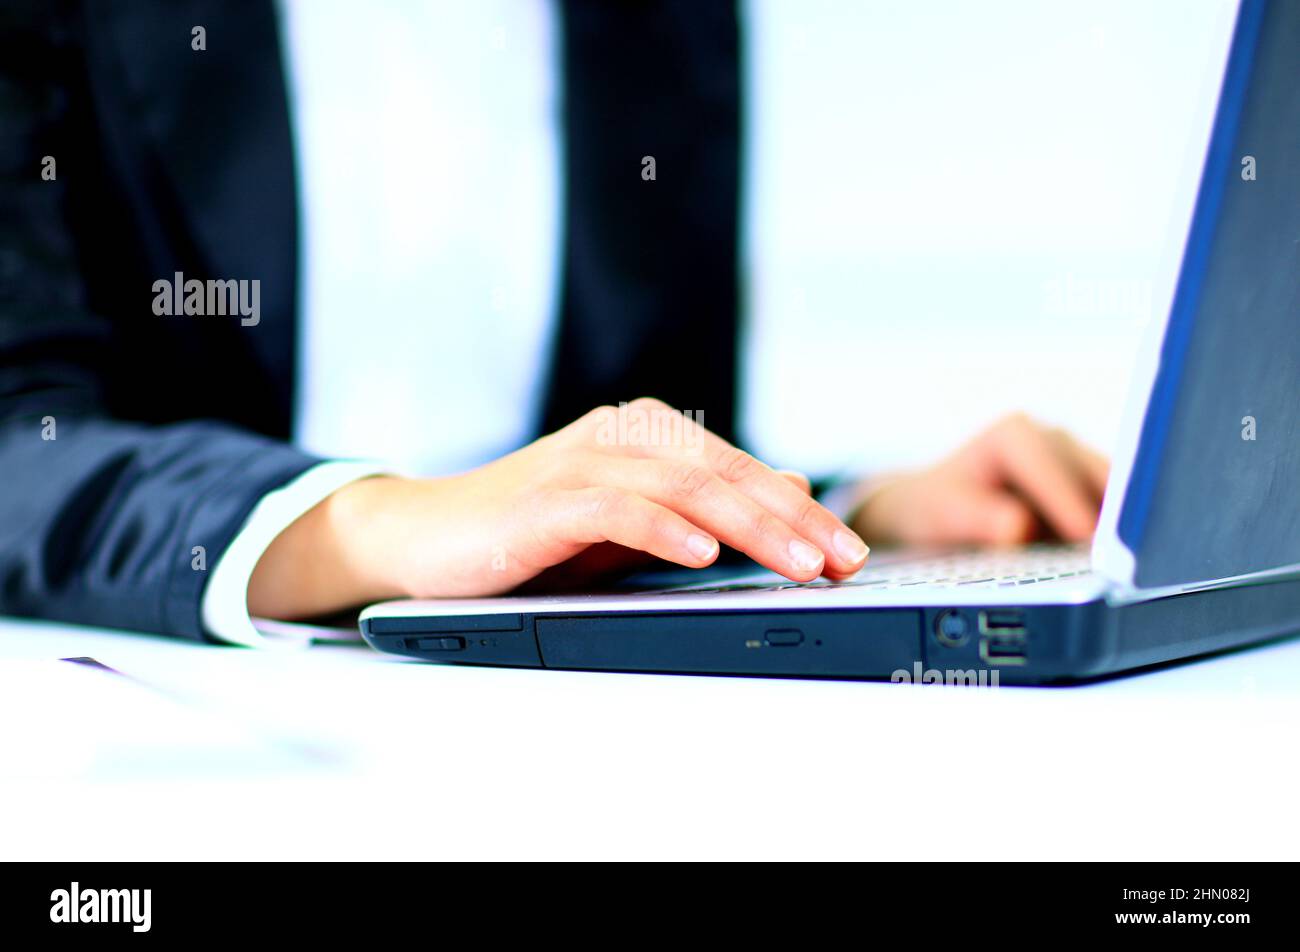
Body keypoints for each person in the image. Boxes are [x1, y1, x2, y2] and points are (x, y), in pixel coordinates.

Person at [0, 1, 1106, 647]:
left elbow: (623, 452)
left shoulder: (657, 25)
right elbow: (17, 439)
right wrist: (370, 527)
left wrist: (845, 518)